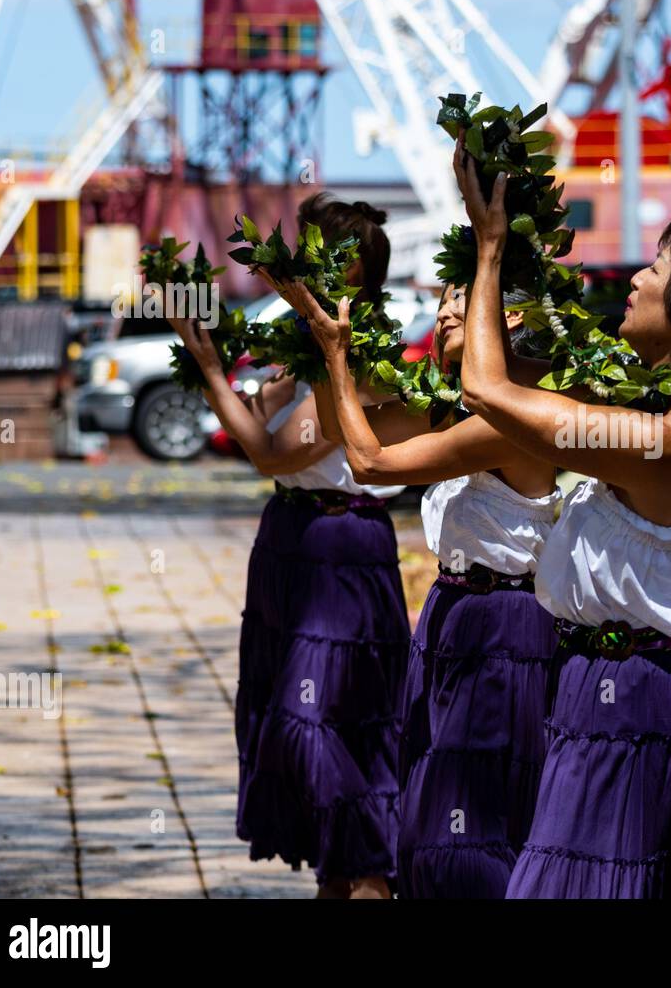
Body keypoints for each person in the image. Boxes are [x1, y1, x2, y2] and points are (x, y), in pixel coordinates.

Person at [451, 135, 671, 898]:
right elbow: (521, 376)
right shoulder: (648, 403)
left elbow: (487, 392)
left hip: (637, 699)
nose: (635, 278)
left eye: (655, 269)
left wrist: (491, 249)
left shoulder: (669, 436)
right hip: (605, 687)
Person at [278, 278, 563, 897]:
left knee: (475, 826)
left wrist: (332, 355)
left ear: (510, 312)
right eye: (441, 302)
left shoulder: (521, 408)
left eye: (460, 298)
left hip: (508, 626)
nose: (444, 312)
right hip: (451, 616)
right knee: (432, 812)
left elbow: (370, 464)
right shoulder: (455, 404)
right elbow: (339, 421)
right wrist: (322, 341)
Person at [168, 193, 409, 899]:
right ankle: (346, 880)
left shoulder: (360, 360)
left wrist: (213, 374)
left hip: (342, 551)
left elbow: (274, 454)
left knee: (317, 725)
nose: (291, 271)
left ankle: (372, 872)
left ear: (354, 274)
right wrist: (205, 355)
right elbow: (256, 440)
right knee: (297, 719)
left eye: (309, 260)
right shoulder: (299, 353)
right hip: (288, 543)